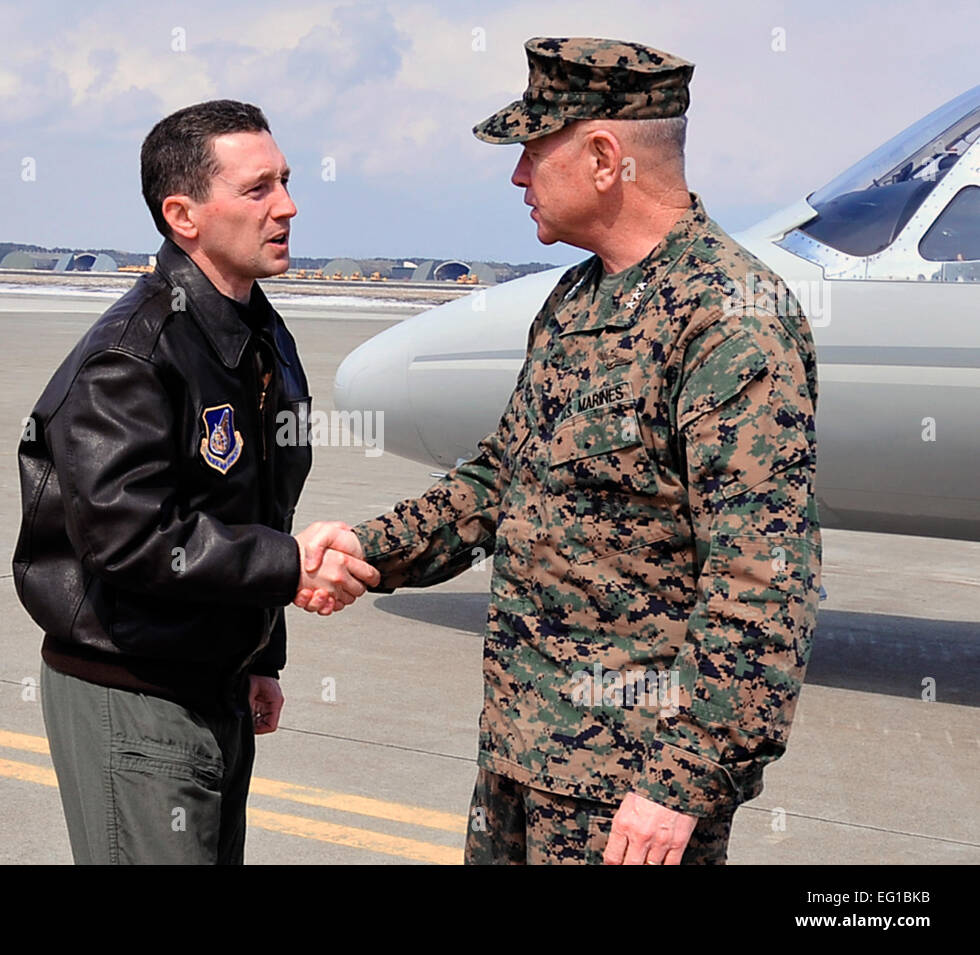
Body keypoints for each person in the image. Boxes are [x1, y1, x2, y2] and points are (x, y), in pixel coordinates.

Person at [298, 37, 822, 865]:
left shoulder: (730, 320)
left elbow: (760, 585)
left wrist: (682, 786)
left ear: (606, 156)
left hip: (631, 793)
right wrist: (369, 548)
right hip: (523, 758)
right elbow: (498, 478)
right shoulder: (580, 299)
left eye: (533, 152)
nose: (517, 177)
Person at [11, 99, 378, 865]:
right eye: (258, 189)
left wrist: (261, 654)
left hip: (213, 679)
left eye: (285, 180)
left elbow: (255, 504)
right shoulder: (133, 355)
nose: (288, 205)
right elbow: (131, 536)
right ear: (183, 214)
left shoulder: (257, 333)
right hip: (133, 688)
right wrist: (292, 568)